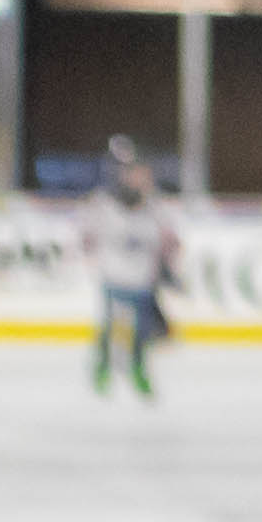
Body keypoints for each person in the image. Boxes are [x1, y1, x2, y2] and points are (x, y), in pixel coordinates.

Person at [80, 138, 175, 399]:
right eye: (136, 174)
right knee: (110, 327)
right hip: (114, 276)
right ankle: (102, 367)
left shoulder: (155, 206)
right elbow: (86, 233)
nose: (141, 179)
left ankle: (138, 370)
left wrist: (168, 268)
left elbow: (169, 239)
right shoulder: (104, 204)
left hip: (142, 279)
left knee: (142, 333)